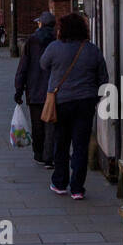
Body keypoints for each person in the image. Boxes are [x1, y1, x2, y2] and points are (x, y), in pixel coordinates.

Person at [39, 12, 108, 199]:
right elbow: (103, 78)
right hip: (85, 103)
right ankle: (77, 188)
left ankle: (60, 183)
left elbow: (43, 64)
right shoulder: (92, 50)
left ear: (62, 30)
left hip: (61, 102)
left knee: (61, 143)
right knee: (80, 145)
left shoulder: (54, 48)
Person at [15, 11, 58, 168]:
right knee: (51, 124)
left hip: (34, 89)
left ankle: (39, 154)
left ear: (41, 24)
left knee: (37, 124)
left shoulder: (32, 41)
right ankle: (49, 156)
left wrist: (18, 89)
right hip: (53, 90)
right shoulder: (57, 41)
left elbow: (23, 68)